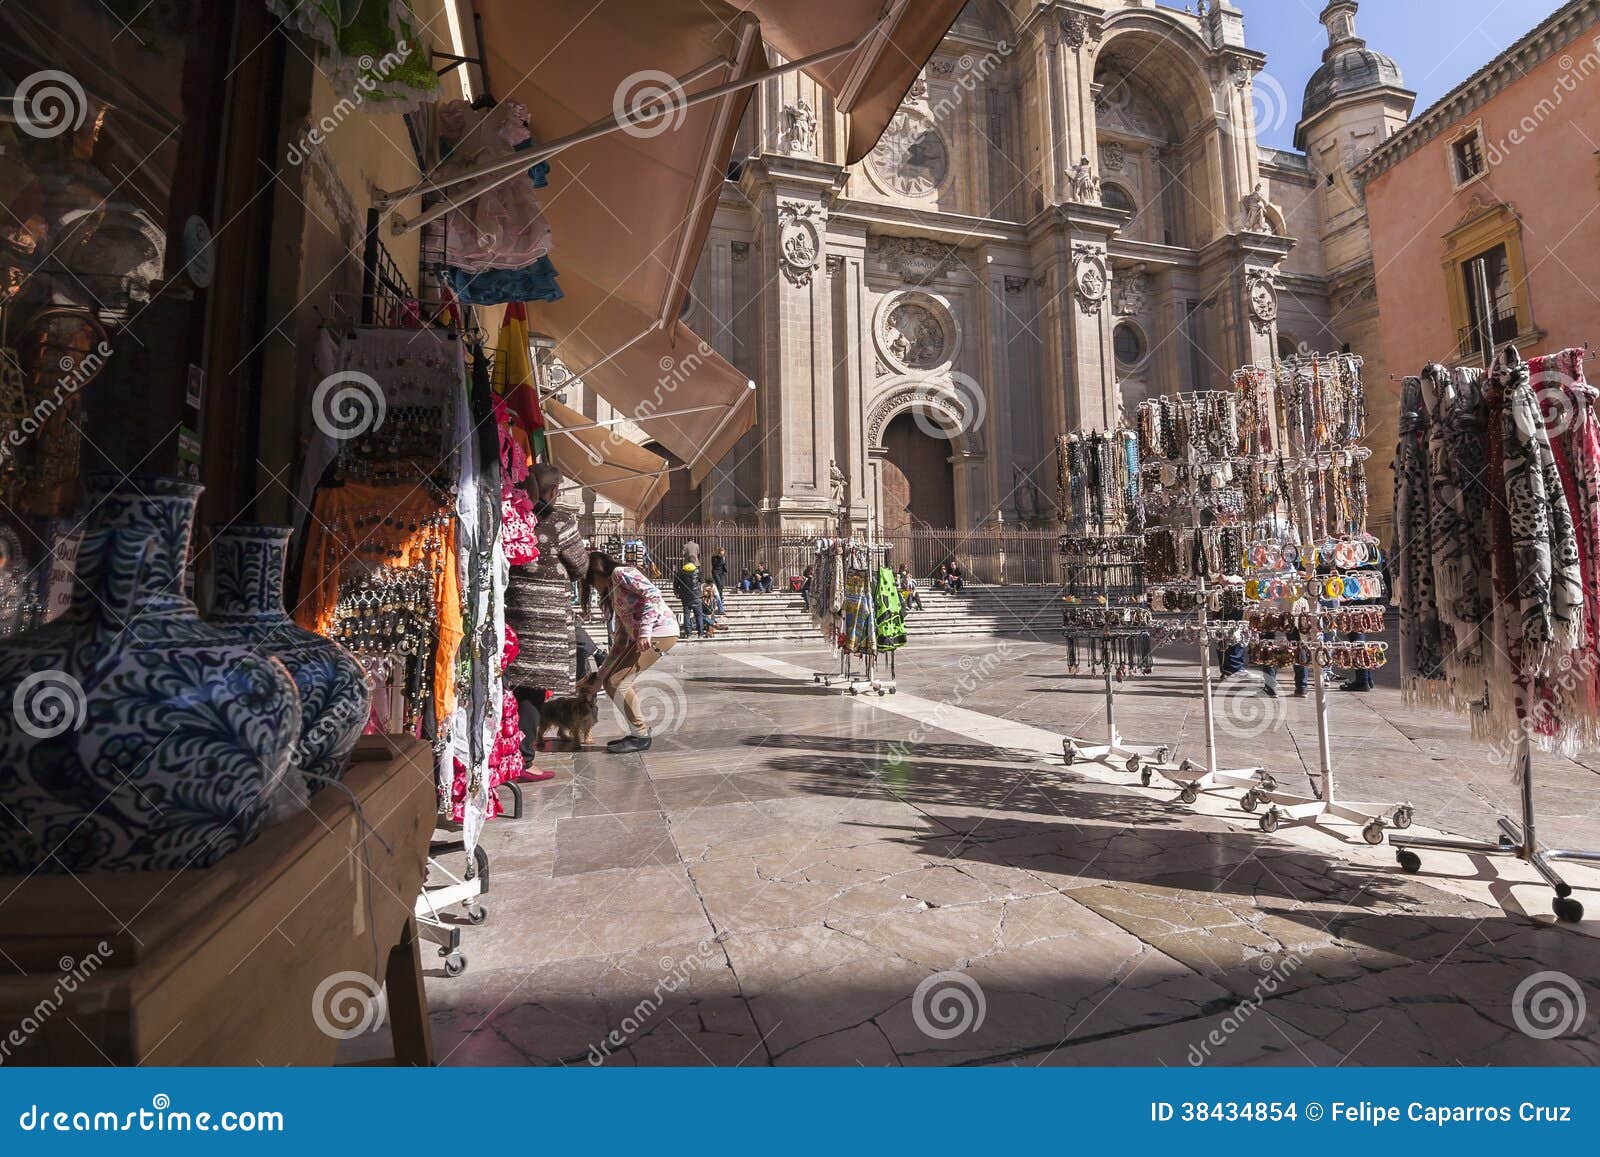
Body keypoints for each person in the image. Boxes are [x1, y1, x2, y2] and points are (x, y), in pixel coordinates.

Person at [504, 463, 589, 771]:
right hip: (547, 621)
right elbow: (580, 566)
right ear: (554, 491)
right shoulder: (560, 520)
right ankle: (523, 760)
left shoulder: (509, 515)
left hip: (511, 614)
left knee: (512, 684)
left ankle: (506, 753)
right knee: (534, 688)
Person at [581, 552, 679, 753]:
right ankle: (638, 731)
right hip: (645, 636)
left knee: (618, 682)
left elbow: (652, 594)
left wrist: (645, 632)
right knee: (610, 682)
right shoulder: (615, 595)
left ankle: (641, 735)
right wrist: (599, 678)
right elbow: (619, 642)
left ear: (597, 572)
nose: (594, 587)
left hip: (660, 632)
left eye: (591, 582)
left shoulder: (620, 573)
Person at [672, 544, 714, 639]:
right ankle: (700, 634)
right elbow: (702, 583)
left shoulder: (681, 571)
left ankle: (689, 634)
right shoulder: (698, 571)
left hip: (685, 596)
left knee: (686, 614)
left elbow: (675, 584)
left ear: (687, 561)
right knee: (698, 615)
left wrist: (677, 592)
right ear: (694, 562)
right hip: (696, 596)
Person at [709, 547, 729, 616]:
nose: (723, 553)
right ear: (719, 552)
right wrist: (721, 558)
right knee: (719, 584)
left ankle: (720, 595)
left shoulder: (723, 557)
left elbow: (724, 564)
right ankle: (719, 596)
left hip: (721, 572)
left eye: (723, 551)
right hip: (716, 572)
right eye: (722, 551)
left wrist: (725, 569)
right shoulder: (714, 557)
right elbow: (715, 564)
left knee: (721, 585)